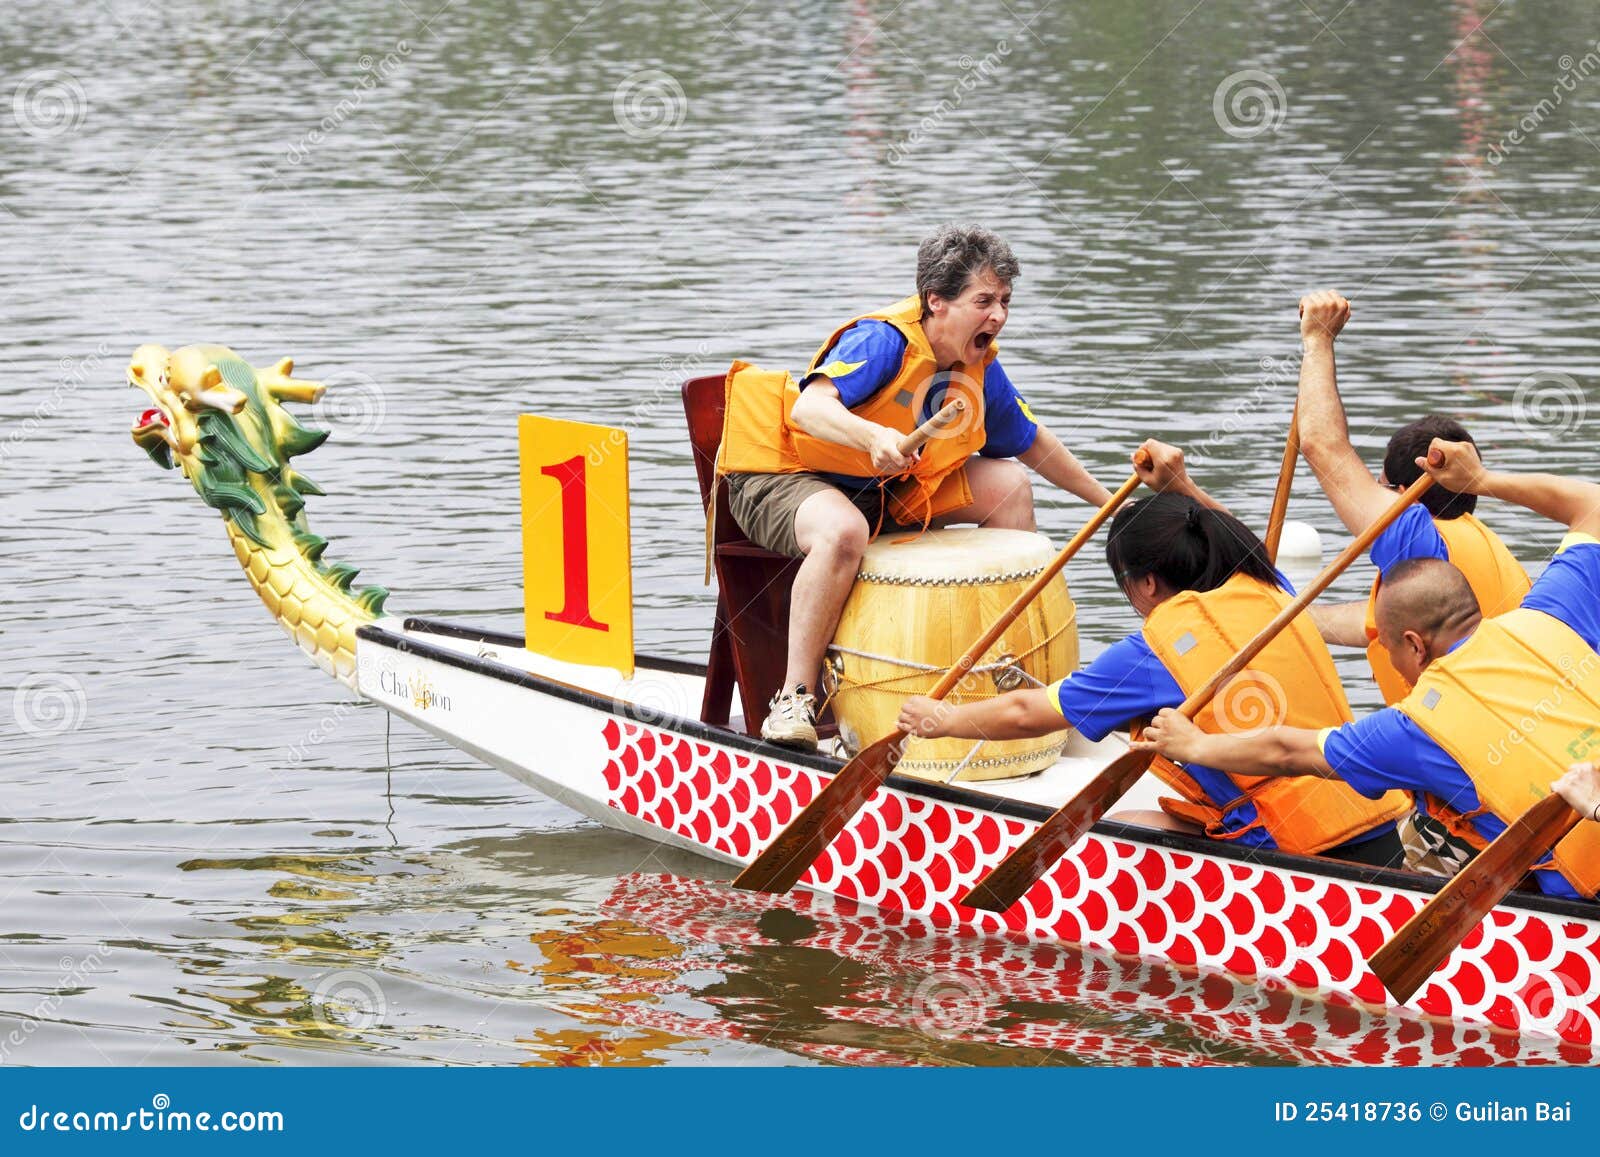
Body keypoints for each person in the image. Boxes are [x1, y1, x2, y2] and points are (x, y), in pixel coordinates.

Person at [896, 446, 1410, 866]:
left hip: (1295, 849)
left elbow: (1026, 711)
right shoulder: (1271, 592)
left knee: (1097, 837)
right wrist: (1180, 486)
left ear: (1145, 582)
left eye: (1124, 585)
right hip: (1376, 820)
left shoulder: (1157, 649)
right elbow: (1235, 538)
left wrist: (942, 718)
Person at [1138, 440, 1600, 899]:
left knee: (1423, 833)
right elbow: (1592, 505)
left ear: (1415, 645)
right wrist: (1482, 481)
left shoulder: (1416, 729)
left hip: (1583, 901)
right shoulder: (1550, 614)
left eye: (1386, 644)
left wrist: (1193, 743)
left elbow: (1285, 752)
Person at [716, 224, 1112, 749]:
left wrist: (1114, 504)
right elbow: (810, 407)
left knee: (1010, 484)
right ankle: (794, 701)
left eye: (1006, 301)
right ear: (936, 302)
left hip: (882, 490)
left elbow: (1034, 445)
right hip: (783, 476)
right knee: (842, 532)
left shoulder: (977, 366)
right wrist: (872, 434)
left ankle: (1015, 684)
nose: (999, 315)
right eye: (985, 300)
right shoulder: (883, 341)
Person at [1295, 291, 1529, 705]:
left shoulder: (1417, 541)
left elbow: (1320, 445)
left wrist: (1318, 340)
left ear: (1404, 496)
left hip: (1461, 741)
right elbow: (1367, 625)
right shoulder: (1477, 544)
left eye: (1382, 489)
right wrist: (1291, 617)